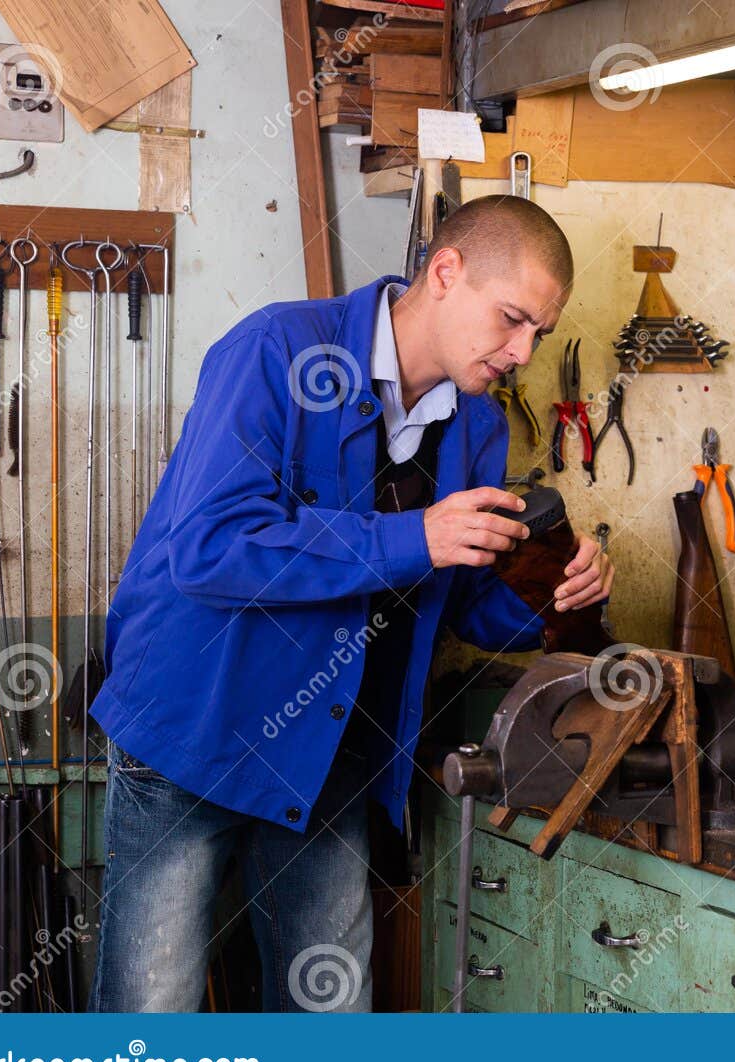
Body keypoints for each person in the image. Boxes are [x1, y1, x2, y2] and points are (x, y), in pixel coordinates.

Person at [88, 196, 610, 1012]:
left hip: (330, 758)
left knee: (329, 1015)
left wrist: (552, 598)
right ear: (445, 272)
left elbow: (458, 598)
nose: (522, 351)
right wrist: (415, 537)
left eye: (540, 333)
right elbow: (211, 547)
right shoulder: (275, 350)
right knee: (151, 1015)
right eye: (513, 320)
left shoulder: (477, 427)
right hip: (192, 737)